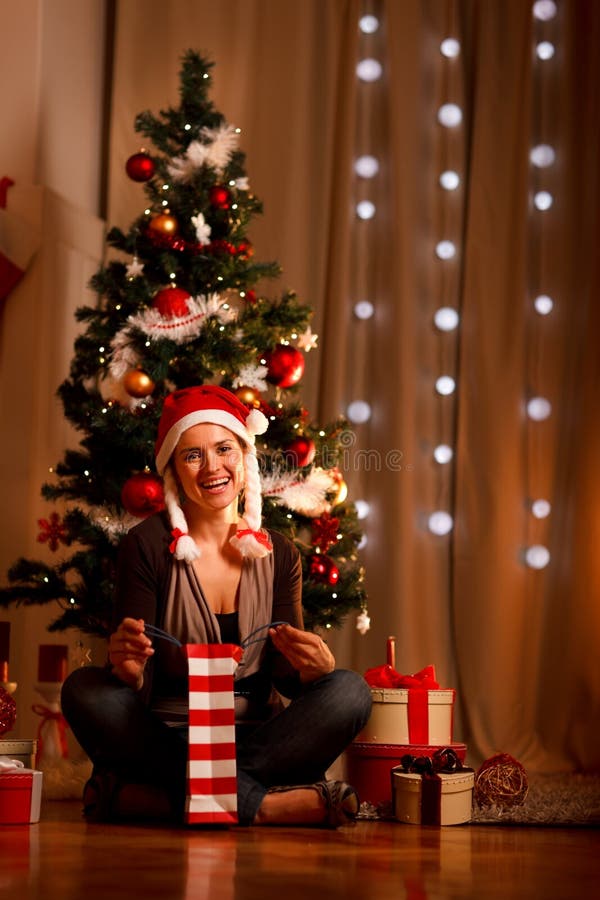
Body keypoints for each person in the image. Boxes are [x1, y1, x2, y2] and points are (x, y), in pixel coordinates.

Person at [61, 384, 372, 826]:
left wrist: (313, 671)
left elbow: (284, 677)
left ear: (245, 457)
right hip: (170, 739)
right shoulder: (146, 545)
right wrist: (127, 671)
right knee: (84, 689)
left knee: (350, 691)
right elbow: (136, 681)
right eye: (192, 455)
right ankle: (263, 806)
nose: (212, 468)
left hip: (259, 741)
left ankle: (163, 799)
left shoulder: (281, 554)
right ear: (174, 470)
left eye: (224, 448)